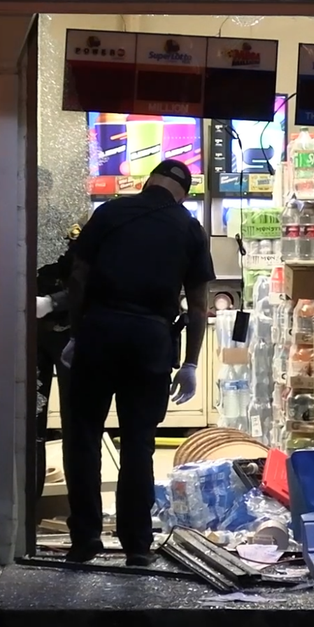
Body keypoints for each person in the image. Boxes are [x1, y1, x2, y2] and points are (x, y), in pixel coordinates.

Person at [61, 159, 214, 565]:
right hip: (150, 340)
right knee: (138, 443)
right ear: (183, 191)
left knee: (83, 438)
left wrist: (78, 333)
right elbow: (199, 307)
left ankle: (84, 541)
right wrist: (191, 363)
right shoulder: (189, 228)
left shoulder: (108, 212)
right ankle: (137, 546)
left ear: (149, 183)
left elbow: (78, 277)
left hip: (100, 330)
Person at [32, 223, 82, 498]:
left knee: (75, 424)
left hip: (68, 331)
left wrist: (53, 301)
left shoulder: (74, 232)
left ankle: (81, 513)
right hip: (31, 333)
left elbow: (88, 281)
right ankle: (30, 509)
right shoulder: (24, 224)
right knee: (31, 427)